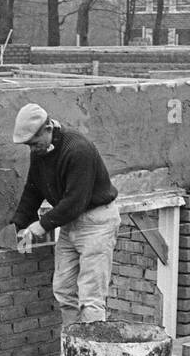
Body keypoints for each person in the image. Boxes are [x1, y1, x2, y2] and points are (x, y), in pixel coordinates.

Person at [10, 103, 121, 327]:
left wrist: (41, 226)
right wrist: (16, 226)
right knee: (64, 290)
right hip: (69, 223)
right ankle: (72, 350)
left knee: (90, 298)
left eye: (34, 142)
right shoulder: (40, 153)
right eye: (28, 145)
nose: (32, 149)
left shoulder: (78, 149)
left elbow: (75, 202)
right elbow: (32, 191)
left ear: (48, 128)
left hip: (97, 222)